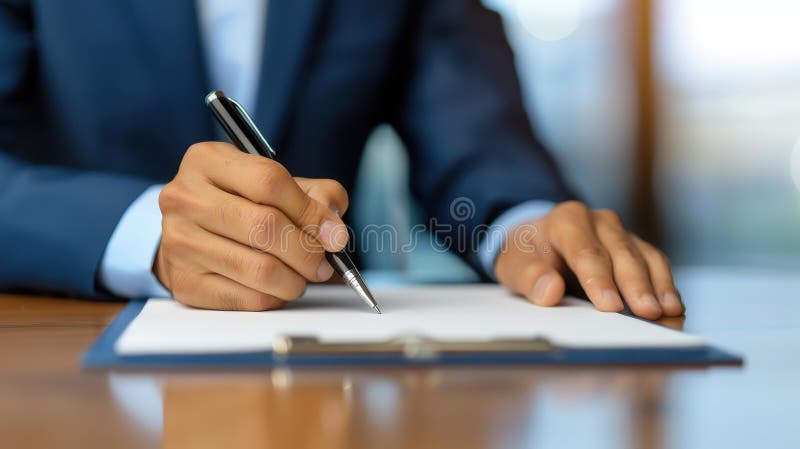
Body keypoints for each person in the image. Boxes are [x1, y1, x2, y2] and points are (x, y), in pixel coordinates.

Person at [0, 0, 683, 320]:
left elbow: (476, 142)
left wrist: (528, 226)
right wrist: (145, 231)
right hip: (63, 362)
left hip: (319, 378)